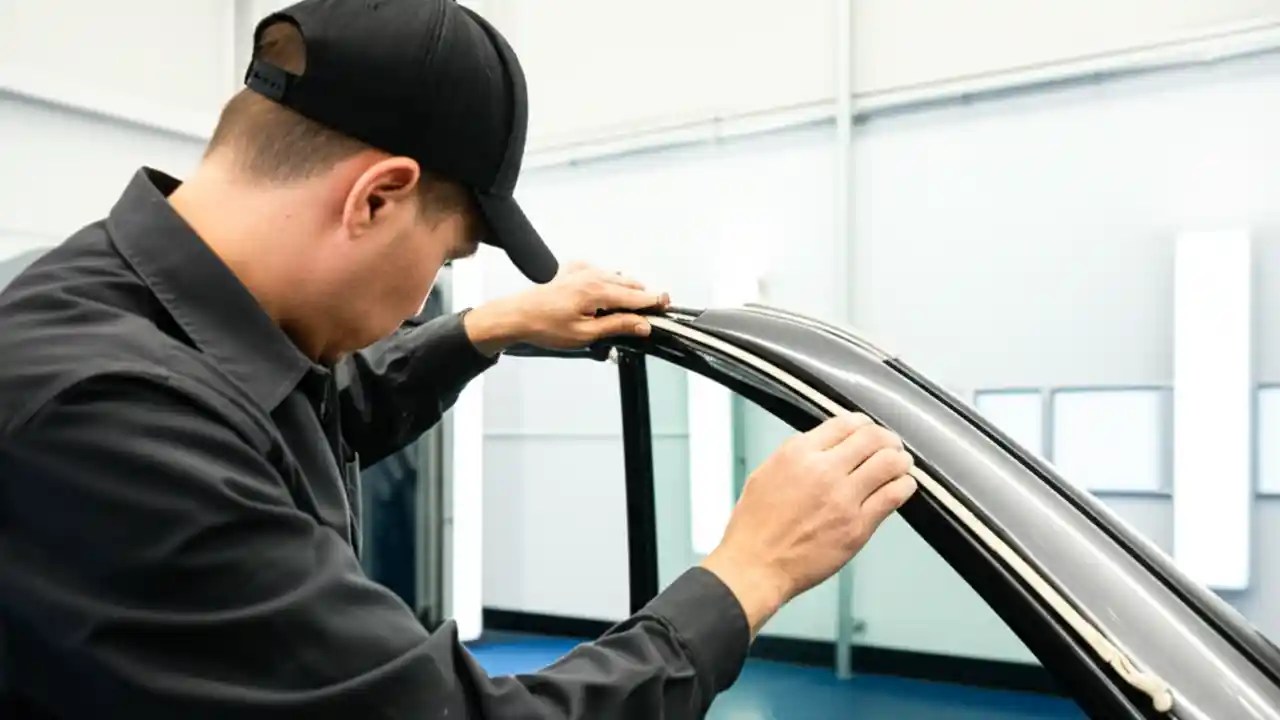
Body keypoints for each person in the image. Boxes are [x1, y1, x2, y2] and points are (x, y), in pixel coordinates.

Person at [0, 1, 918, 718]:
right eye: (446, 261)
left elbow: (302, 411)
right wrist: (751, 572)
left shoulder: (125, 309)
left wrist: (491, 326)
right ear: (376, 198)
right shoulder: (104, 415)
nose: (421, 301)